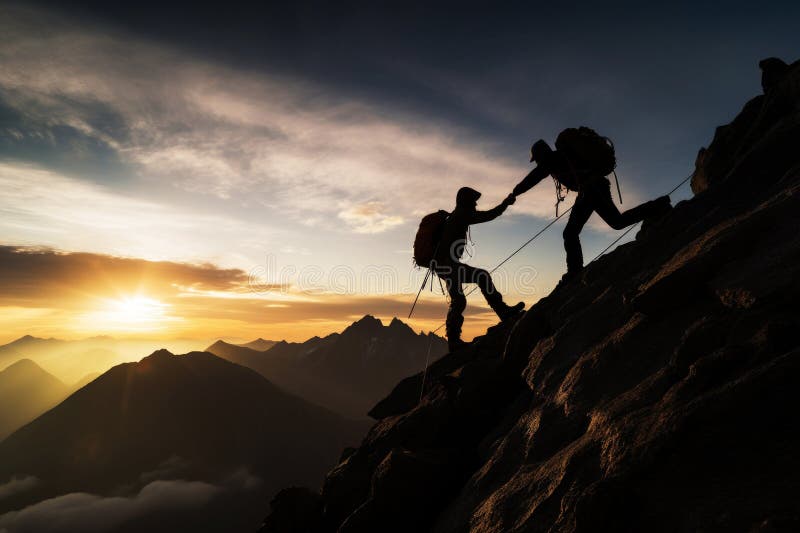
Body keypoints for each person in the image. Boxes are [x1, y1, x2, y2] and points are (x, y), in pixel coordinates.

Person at [511, 137, 671, 284]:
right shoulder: (558, 158)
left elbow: (534, 177)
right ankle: (658, 206)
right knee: (614, 222)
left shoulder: (551, 160)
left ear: (541, 155)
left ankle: (574, 271)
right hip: (592, 189)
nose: (538, 162)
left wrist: (515, 192)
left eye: (537, 159)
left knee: (574, 232)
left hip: (592, 189)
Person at [433, 187, 524, 351]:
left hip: (445, 264)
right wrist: (505, 204)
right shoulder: (462, 214)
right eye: (473, 201)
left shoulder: (458, 215)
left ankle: (455, 339)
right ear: (466, 201)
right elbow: (489, 215)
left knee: (469, 289)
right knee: (464, 294)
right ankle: (454, 341)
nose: (475, 204)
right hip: (447, 264)